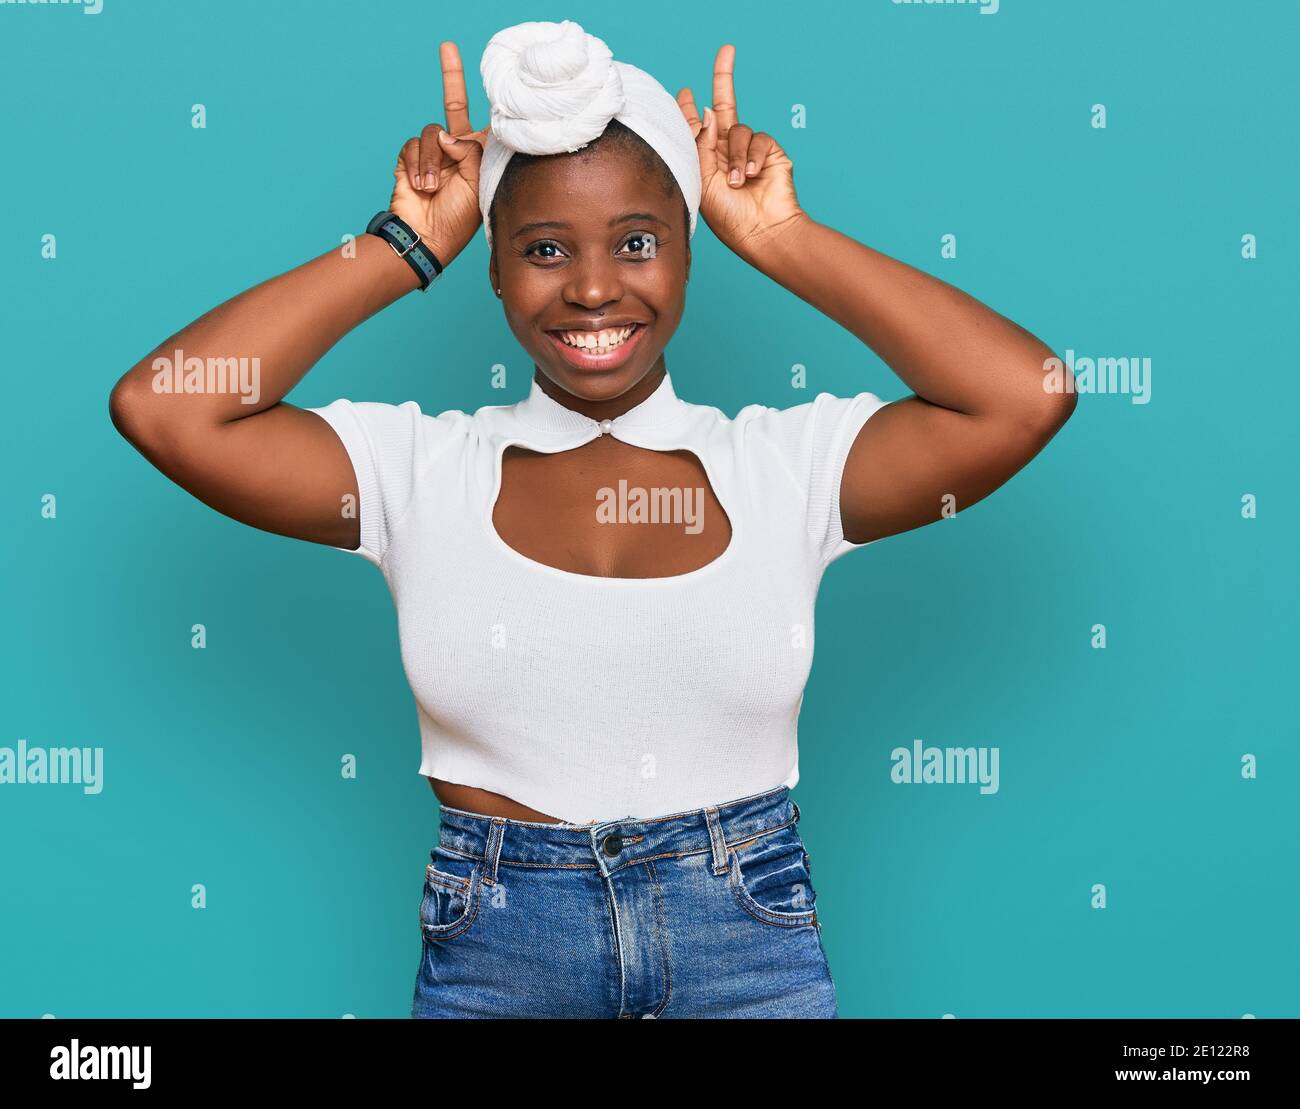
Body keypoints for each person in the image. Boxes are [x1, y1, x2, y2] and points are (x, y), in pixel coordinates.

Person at [108, 20, 1076, 1018]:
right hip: (498, 950)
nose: (594, 286)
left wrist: (784, 238)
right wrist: (401, 243)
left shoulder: (785, 465)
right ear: (490, 266)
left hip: (746, 944)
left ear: (690, 250)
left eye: (639, 241)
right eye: (542, 248)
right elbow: (166, 406)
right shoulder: (415, 469)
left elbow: (1025, 392)